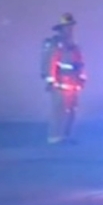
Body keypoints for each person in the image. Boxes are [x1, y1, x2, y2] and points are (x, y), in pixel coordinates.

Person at [41, 12, 86, 144]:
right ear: (61, 28)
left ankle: (66, 135)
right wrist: (51, 81)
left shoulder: (73, 46)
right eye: (67, 27)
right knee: (58, 110)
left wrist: (82, 79)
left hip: (73, 84)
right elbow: (51, 63)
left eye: (71, 26)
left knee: (71, 111)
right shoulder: (57, 44)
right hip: (60, 84)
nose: (70, 29)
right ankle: (54, 136)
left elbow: (80, 64)